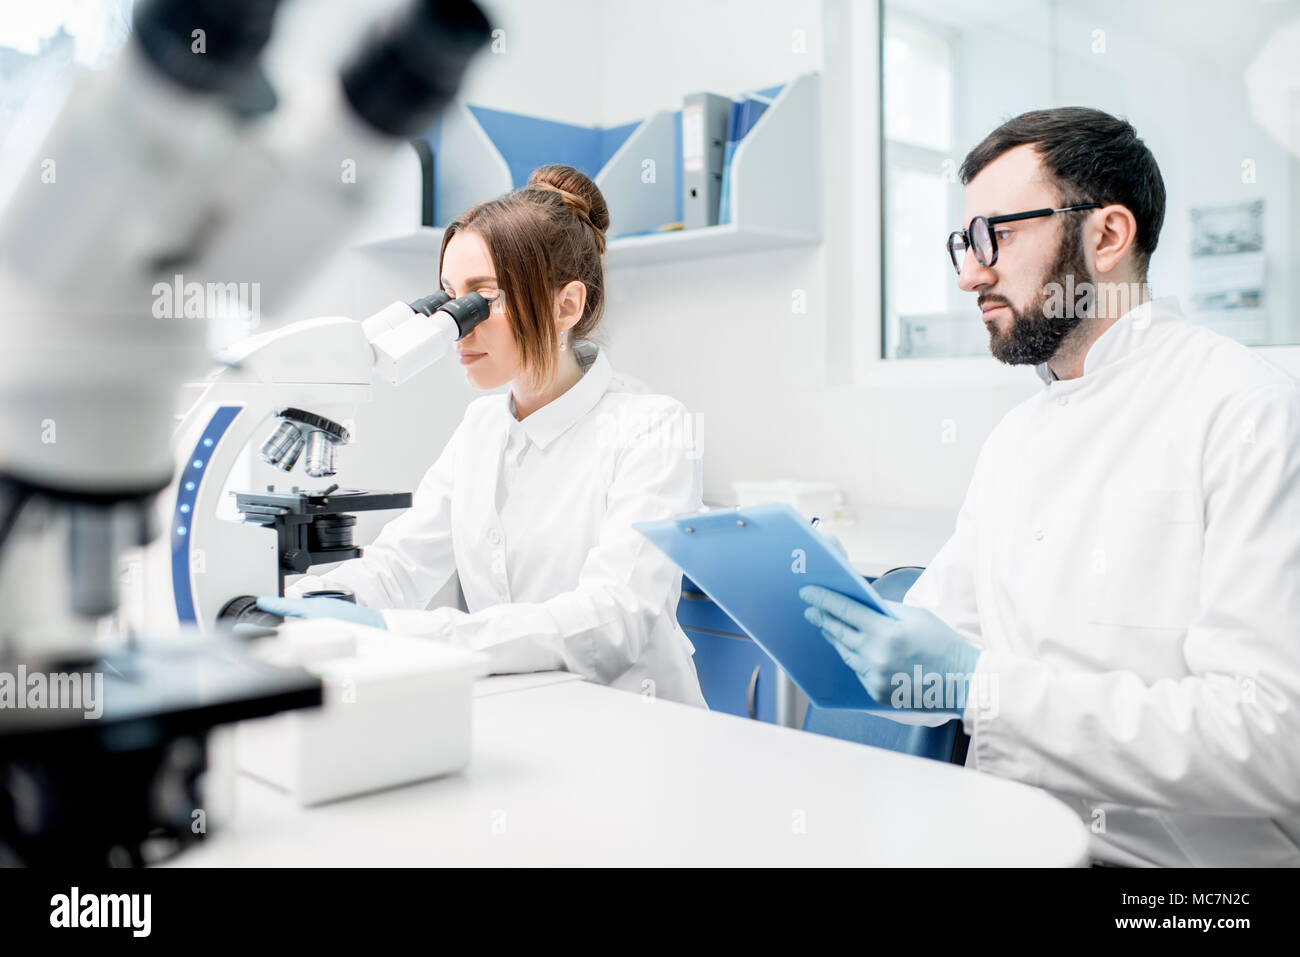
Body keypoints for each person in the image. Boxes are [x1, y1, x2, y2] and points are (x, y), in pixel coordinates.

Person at [801, 108, 1300, 866]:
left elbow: (1273, 743)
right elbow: (933, 642)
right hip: (997, 838)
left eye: (995, 236)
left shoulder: (1244, 411)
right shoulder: (1018, 438)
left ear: (1105, 236)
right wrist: (829, 607)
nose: (971, 273)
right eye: (964, 244)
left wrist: (980, 685)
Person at [259, 165, 707, 707]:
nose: (457, 323)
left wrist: (394, 630)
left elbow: (611, 622)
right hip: (529, 721)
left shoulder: (651, 427)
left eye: (483, 298)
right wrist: (319, 602)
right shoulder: (481, 427)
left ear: (567, 305)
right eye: (450, 296)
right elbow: (402, 563)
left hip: (642, 732)